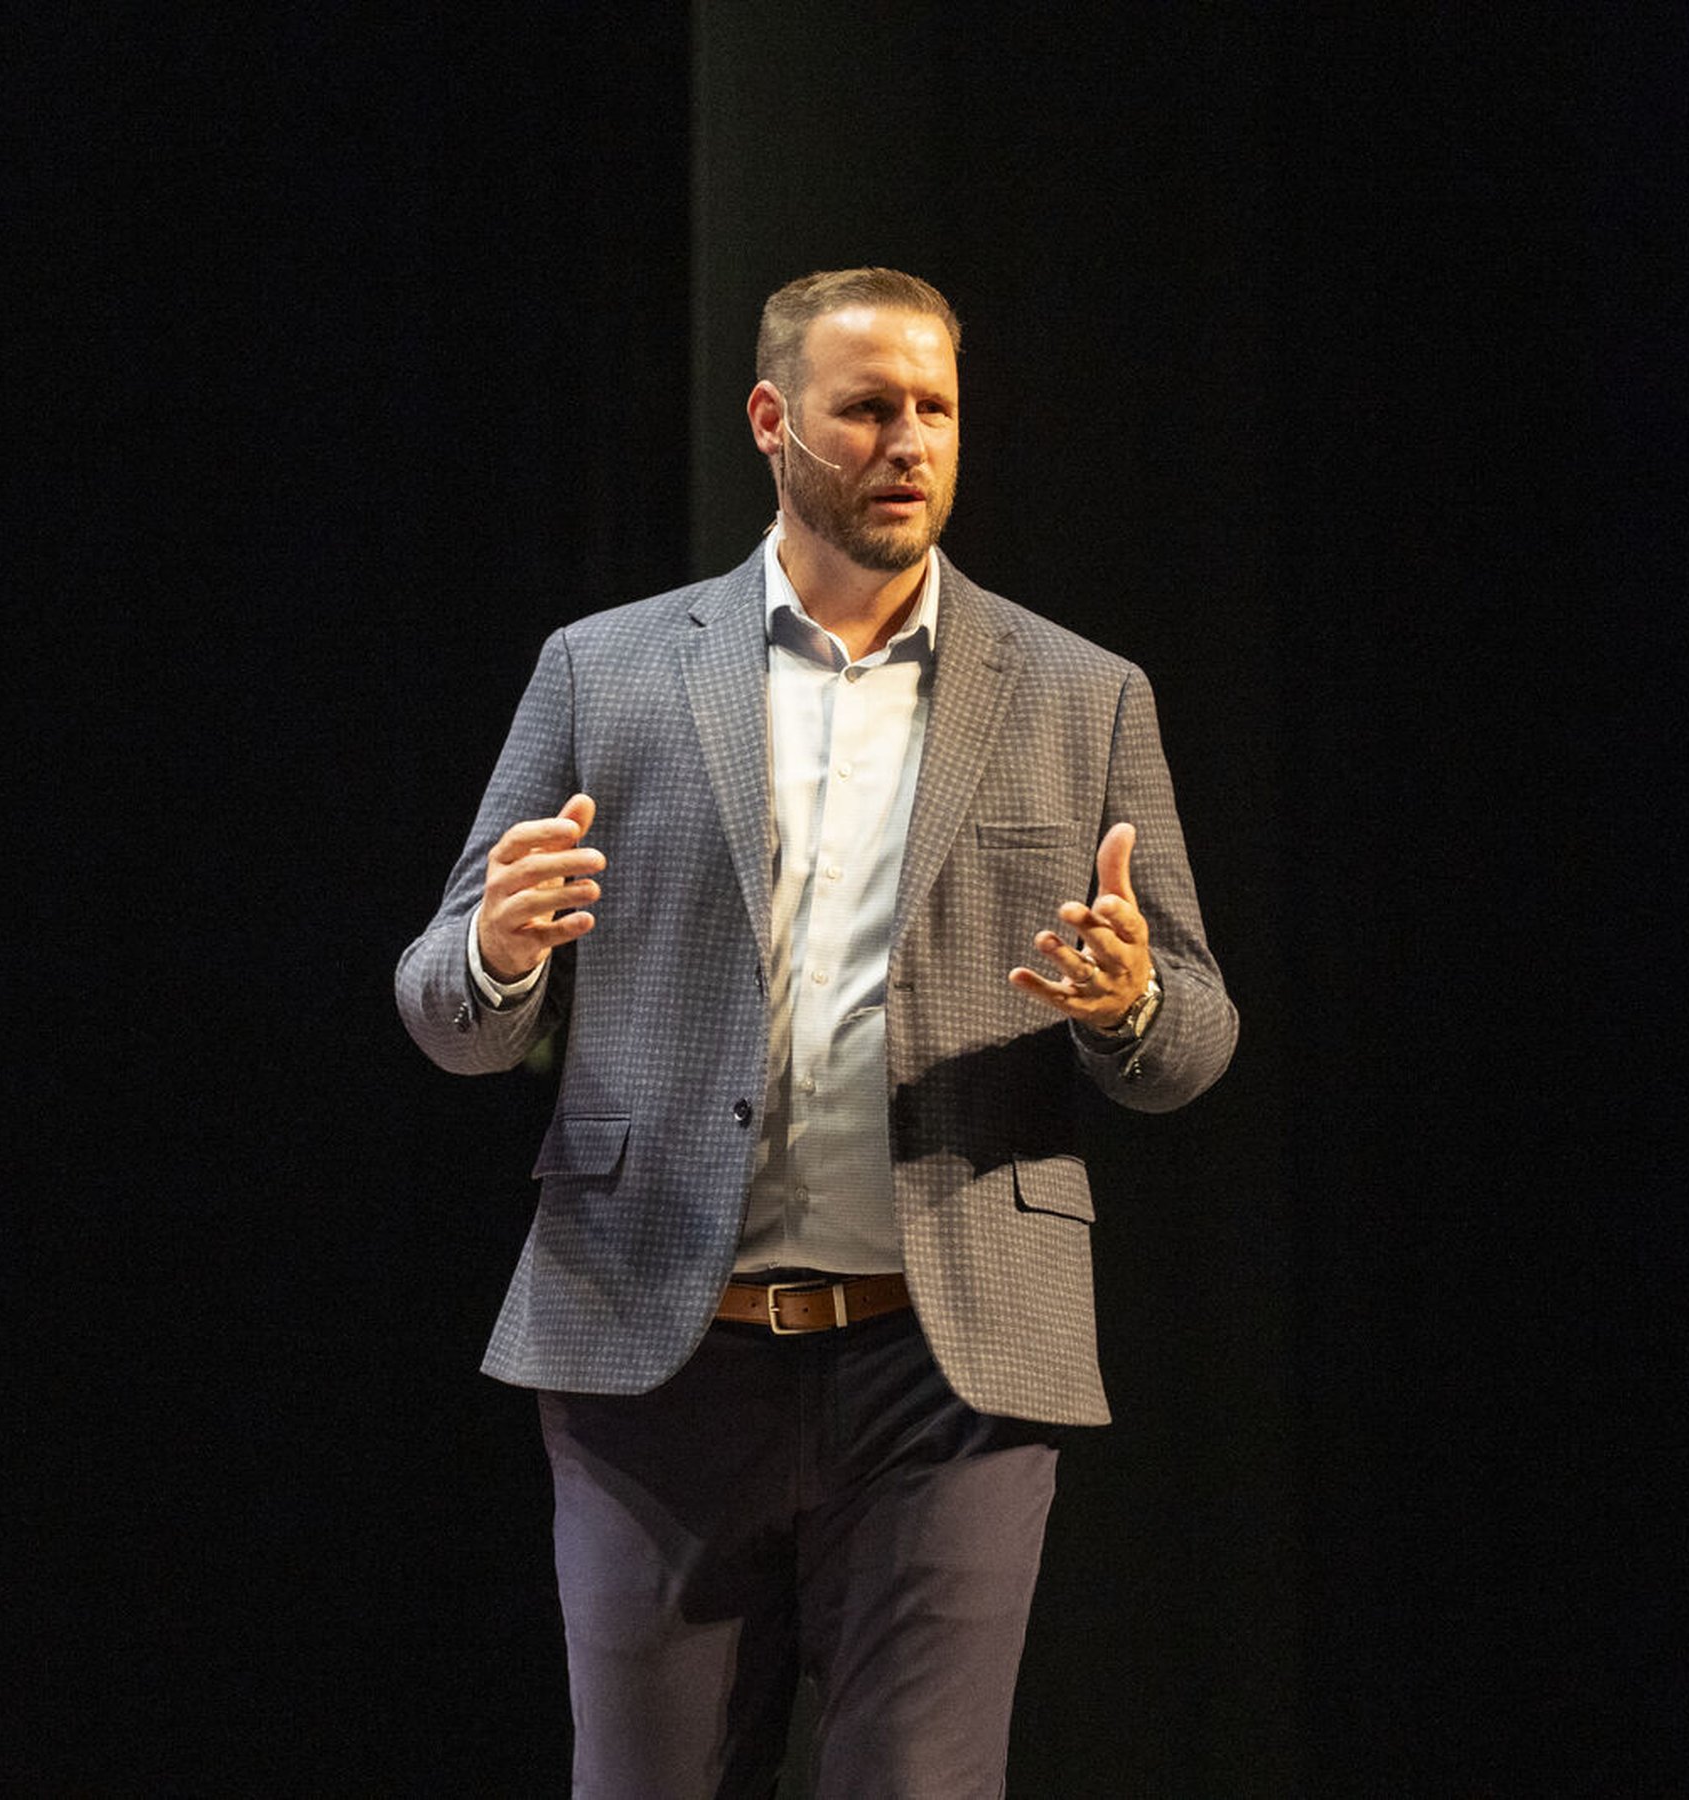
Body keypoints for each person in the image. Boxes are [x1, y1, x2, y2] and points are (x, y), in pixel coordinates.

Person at [397, 267, 1237, 1797]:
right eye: (868, 409)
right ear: (775, 424)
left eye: (937, 410)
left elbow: (1194, 1039)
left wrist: (1134, 1006)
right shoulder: (606, 669)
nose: (909, 440)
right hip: (659, 1350)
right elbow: (443, 1008)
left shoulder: (1079, 692)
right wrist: (499, 958)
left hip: (946, 1361)